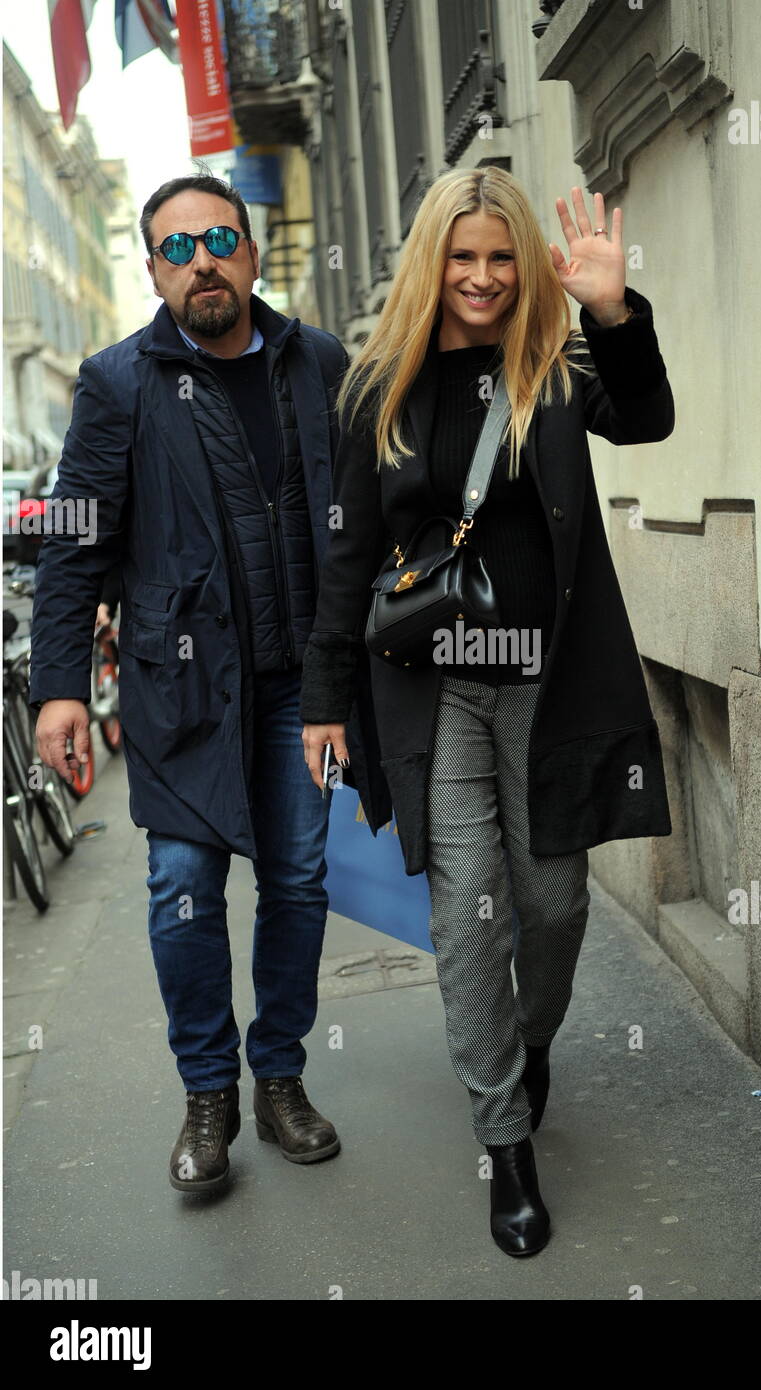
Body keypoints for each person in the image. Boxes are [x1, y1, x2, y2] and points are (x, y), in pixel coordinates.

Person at [299, 167, 675, 1256]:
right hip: (434, 692)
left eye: (501, 257)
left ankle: (530, 1040)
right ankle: (505, 1143)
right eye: (462, 257)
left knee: (552, 906)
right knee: (469, 914)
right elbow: (346, 556)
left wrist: (613, 310)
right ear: (433, 261)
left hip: (549, 682)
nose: (482, 276)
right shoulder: (377, 388)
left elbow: (646, 419)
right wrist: (325, 699)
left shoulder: (556, 367)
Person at [30, 174, 389, 1194]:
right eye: (178, 249)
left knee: (299, 881)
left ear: (251, 251)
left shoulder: (317, 361)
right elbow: (72, 545)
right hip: (180, 691)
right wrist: (59, 687)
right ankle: (206, 1094)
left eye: (219, 240)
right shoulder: (117, 383)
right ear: (153, 270)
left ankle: (279, 1076)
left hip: (304, 692)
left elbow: (363, 515)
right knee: (183, 886)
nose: (202, 263)